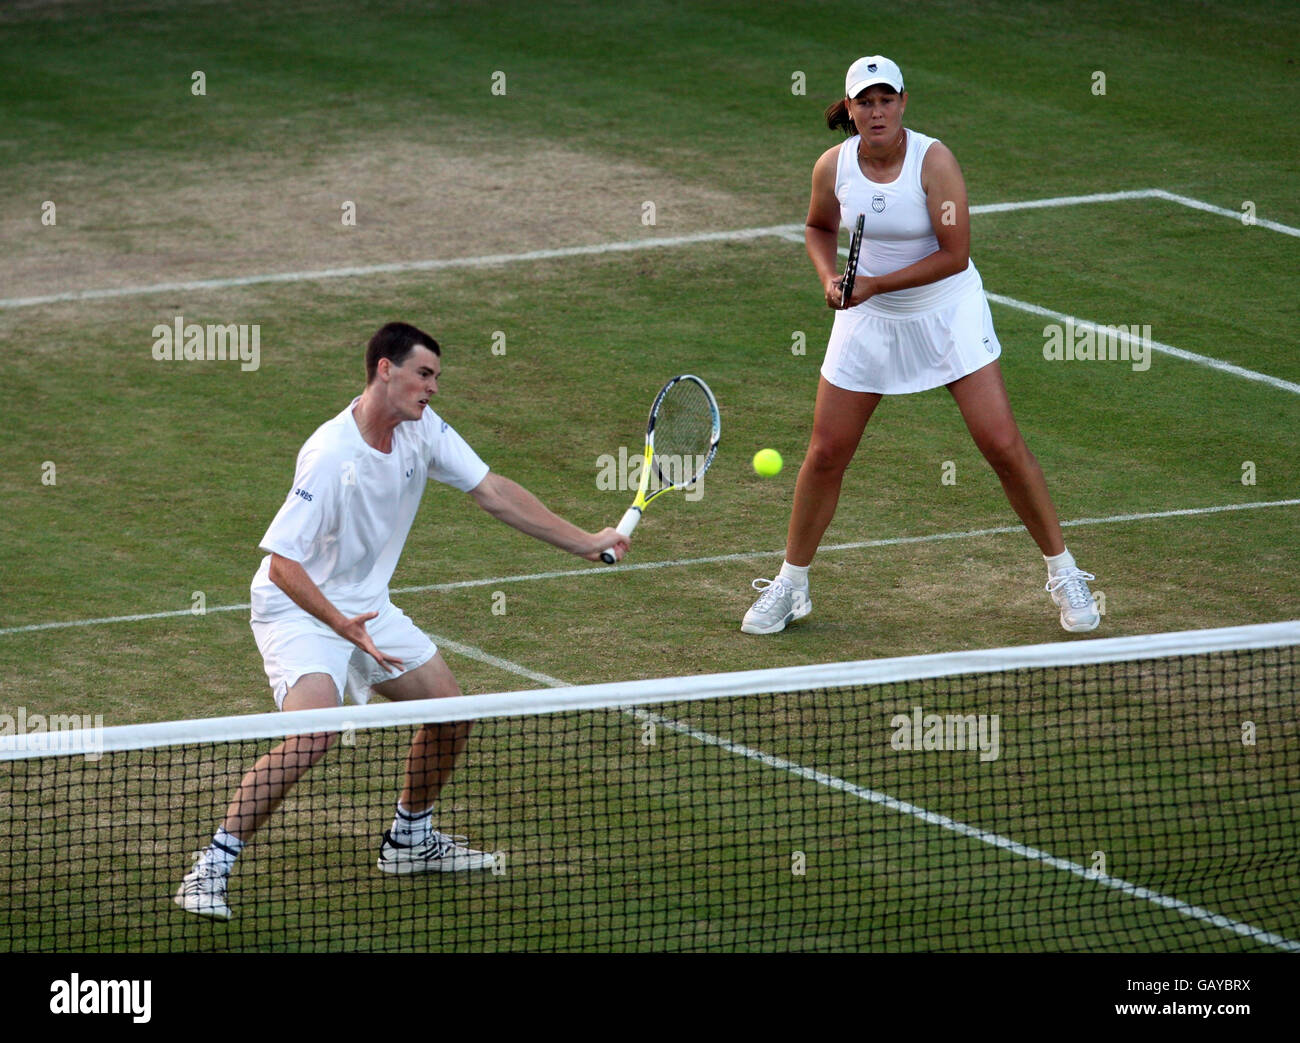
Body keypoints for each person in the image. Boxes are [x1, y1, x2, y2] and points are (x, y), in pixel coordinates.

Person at [175, 321, 628, 920]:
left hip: (367, 607)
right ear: (385, 370)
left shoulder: (423, 431)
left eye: (436, 376)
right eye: (424, 374)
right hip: (301, 611)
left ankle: (409, 842)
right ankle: (209, 870)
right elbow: (283, 565)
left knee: (450, 714)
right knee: (314, 736)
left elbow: (491, 490)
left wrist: (584, 541)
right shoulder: (330, 455)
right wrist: (341, 625)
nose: (433, 388)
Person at [742, 55, 1099, 636]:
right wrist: (829, 279)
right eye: (866, 101)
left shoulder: (936, 163)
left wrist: (875, 284)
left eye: (886, 100)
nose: (876, 111)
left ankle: (1066, 573)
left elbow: (954, 253)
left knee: (1001, 444)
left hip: (946, 312)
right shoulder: (833, 166)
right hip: (868, 320)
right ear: (851, 109)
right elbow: (817, 227)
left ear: (903, 102)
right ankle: (792, 584)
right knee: (826, 453)